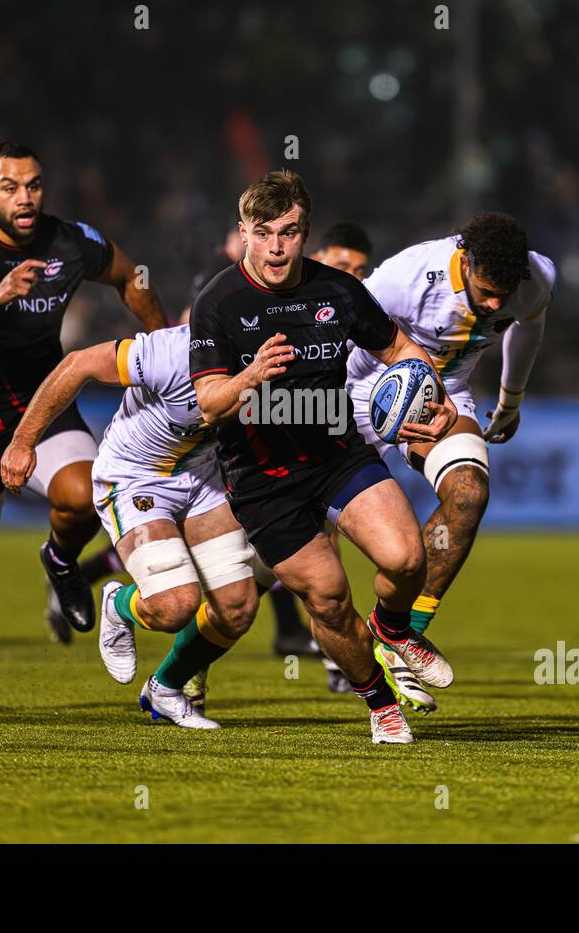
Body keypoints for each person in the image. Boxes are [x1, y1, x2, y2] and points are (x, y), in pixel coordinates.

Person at [189, 170, 458, 744]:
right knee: (331, 599)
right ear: (244, 234)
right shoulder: (218, 302)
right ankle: (380, 703)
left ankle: (391, 626)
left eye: (289, 232)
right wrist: (252, 375)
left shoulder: (337, 289)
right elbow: (210, 405)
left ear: (305, 232)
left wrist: (434, 395)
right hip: (262, 481)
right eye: (264, 233)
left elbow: (399, 346)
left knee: (408, 558)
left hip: (335, 453)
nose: (277, 246)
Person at [0, 141, 168, 642]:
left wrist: (163, 344)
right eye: (9, 187)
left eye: (33, 186)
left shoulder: (67, 242)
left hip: (41, 402)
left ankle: (61, 561)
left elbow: (131, 276)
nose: (24, 198)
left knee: (85, 493)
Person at [0, 326, 263, 729]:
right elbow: (77, 364)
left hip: (202, 478)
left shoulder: (280, 354)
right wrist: (23, 441)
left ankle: (166, 689)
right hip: (136, 478)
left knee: (237, 607)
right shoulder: (172, 352)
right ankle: (118, 603)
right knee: (174, 606)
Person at [345, 213, 553, 710]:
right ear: (465, 261)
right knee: (269, 563)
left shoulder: (537, 279)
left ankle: (399, 634)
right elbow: (343, 329)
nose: (497, 303)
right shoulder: (407, 277)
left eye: (506, 292)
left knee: (468, 492)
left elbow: (529, 324)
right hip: (356, 391)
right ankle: (186, 668)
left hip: (444, 397)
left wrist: (511, 398)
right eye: (487, 290)